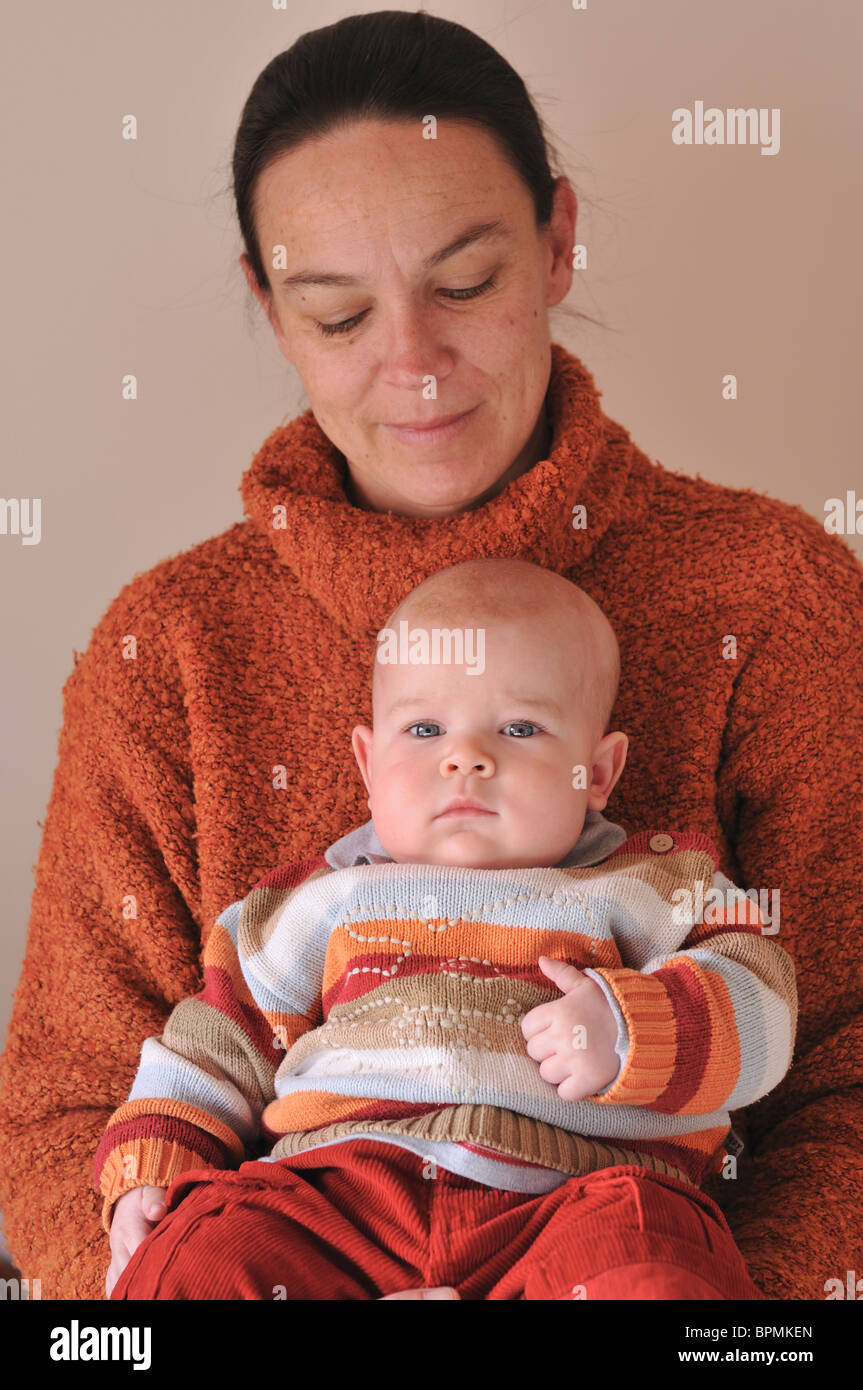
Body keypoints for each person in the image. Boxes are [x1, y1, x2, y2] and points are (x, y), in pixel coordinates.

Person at [0, 9, 860, 1303]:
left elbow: (846, 1070)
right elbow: (66, 1109)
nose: (409, 365)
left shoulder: (776, 591)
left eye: (461, 284)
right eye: (335, 312)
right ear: (265, 302)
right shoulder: (163, 650)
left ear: (557, 238)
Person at [100, 559, 796, 1300]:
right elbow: (210, 1049)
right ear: (369, 764)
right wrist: (152, 1169)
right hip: (332, 1203)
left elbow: (763, 1004)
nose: (465, 758)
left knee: (657, 1275)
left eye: (520, 728)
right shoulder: (313, 902)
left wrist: (634, 1028)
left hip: (581, 1199)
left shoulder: (659, 884)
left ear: (596, 772)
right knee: (198, 1260)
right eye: (425, 728)